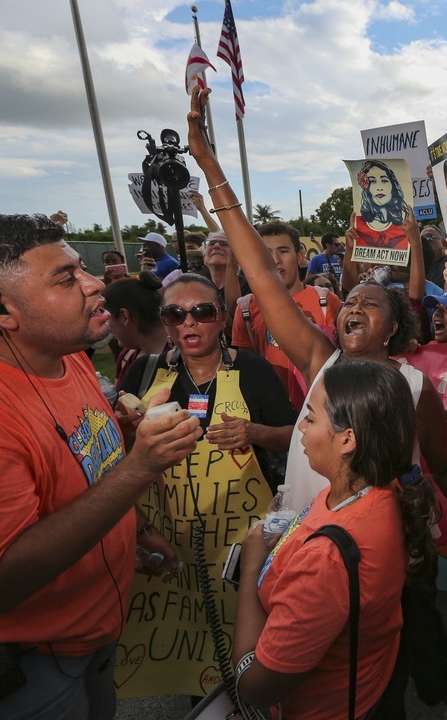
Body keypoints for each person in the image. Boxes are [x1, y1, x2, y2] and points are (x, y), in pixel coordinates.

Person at [187, 86, 447, 714]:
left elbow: (444, 463)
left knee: (367, 676)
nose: (356, 306)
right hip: (305, 547)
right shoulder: (320, 360)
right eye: (352, 300)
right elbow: (259, 272)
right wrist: (211, 167)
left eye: (374, 303)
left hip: (366, 560)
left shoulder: (414, 388)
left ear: (395, 328)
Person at [0, 213, 198, 718]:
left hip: (95, 640)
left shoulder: (67, 353)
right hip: (33, 671)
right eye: (66, 277)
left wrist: (135, 530)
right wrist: (140, 469)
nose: (96, 282)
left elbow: (88, 471)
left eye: (82, 268)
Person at [115, 273, 297, 697]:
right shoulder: (144, 372)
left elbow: (295, 433)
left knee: (246, 632)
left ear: (221, 318)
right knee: (190, 635)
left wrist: (254, 433)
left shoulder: (252, 369)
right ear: (165, 322)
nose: (190, 323)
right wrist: (131, 432)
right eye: (175, 314)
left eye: (203, 312)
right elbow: (113, 449)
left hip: (238, 538)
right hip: (169, 535)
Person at [233, 360, 434, 719]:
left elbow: (255, 687)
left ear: (347, 439)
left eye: (310, 417)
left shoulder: (325, 562)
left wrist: (251, 568)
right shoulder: (381, 488)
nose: (301, 430)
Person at [232, 221, 340, 409]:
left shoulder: (326, 301)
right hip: (273, 411)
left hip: (321, 407)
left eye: (283, 251)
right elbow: (249, 369)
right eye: (266, 252)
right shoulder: (246, 308)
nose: (274, 259)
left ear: (299, 257)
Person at [101, 274, 168, 385]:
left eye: (107, 318)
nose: (106, 325)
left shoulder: (186, 357)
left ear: (124, 316)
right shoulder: (126, 356)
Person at [353, 160, 409, 250]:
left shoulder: (407, 225)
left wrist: (416, 242)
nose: (379, 187)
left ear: (393, 186)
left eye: (384, 180)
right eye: (372, 182)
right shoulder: (358, 225)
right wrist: (349, 249)